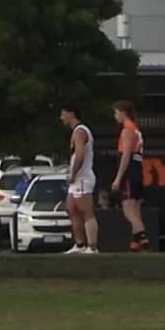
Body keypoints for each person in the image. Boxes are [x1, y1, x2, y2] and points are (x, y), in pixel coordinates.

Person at [110, 101, 149, 252]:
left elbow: (126, 155)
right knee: (136, 209)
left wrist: (118, 178)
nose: (115, 116)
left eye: (116, 113)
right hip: (138, 169)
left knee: (128, 210)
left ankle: (143, 239)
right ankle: (135, 244)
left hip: (130, 171)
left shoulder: (127, 130)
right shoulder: (137, 130)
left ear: (123, 112)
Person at [60, 104, 98, 255]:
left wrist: (74, 173)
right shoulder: (76, 132)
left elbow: (80, 155)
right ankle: (79, 243)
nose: (61, 118)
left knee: (86, 211)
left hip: (82, 177)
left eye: (63, 114)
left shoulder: (80, 131)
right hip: (76, 179)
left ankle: (93, 246)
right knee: (72, 209)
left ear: (71, 113)